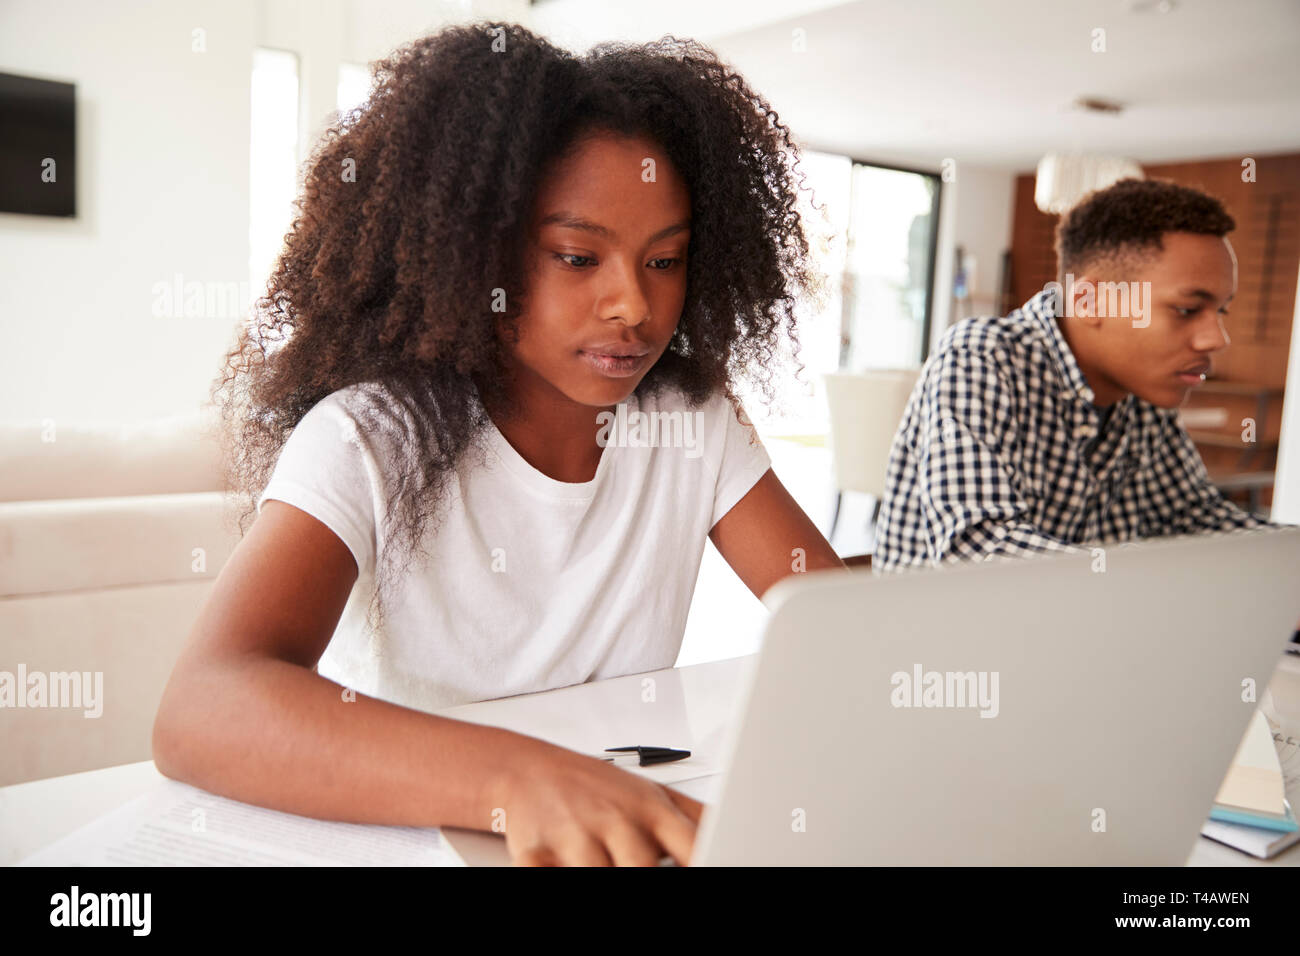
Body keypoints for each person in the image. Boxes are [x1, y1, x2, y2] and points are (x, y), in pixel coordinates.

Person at [152, 21, 843, 866]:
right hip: (428, 837)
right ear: (471, 252)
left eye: (665, 262)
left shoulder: (690, 421)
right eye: (578, 256)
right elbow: (203, 705)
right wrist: (518, 779)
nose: (632, 304)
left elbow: (833, 627)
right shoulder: (373, 436)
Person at [875, 177, 1276, 573]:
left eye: (1221, 310)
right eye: (1187, 310)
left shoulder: (1144, 392)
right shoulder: (982, 357)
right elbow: (977, 548)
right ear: (1090, 301)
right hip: (946, 634)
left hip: (1082, 628)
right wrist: (1144, 578)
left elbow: (1194, 519)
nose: (1217, 338)